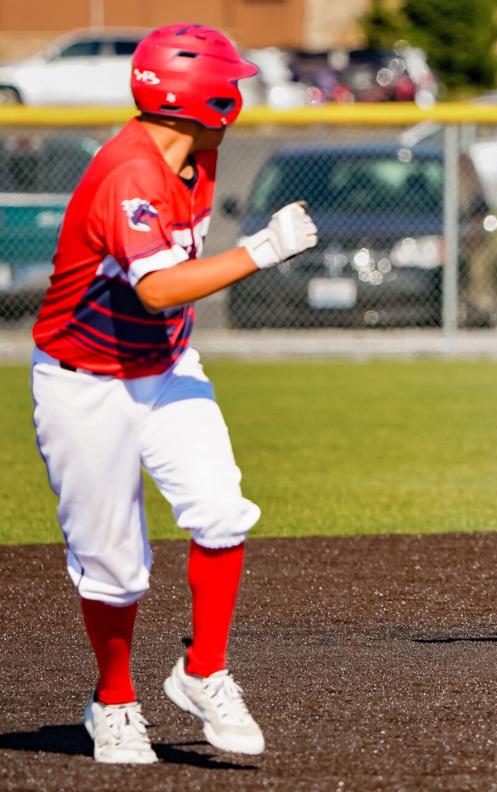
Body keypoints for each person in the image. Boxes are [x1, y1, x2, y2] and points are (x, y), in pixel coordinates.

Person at [30, 24, 317, 763]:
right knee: (114, 563)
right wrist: (261, 250)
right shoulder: (131, 170)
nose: (241, 96)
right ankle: (115, 701)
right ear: (204, 97)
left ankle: (203, 669)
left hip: (165, 368)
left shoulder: (198, 153)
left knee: (222, 510)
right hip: (85, 385)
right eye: (233, 83)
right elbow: (156, 288)